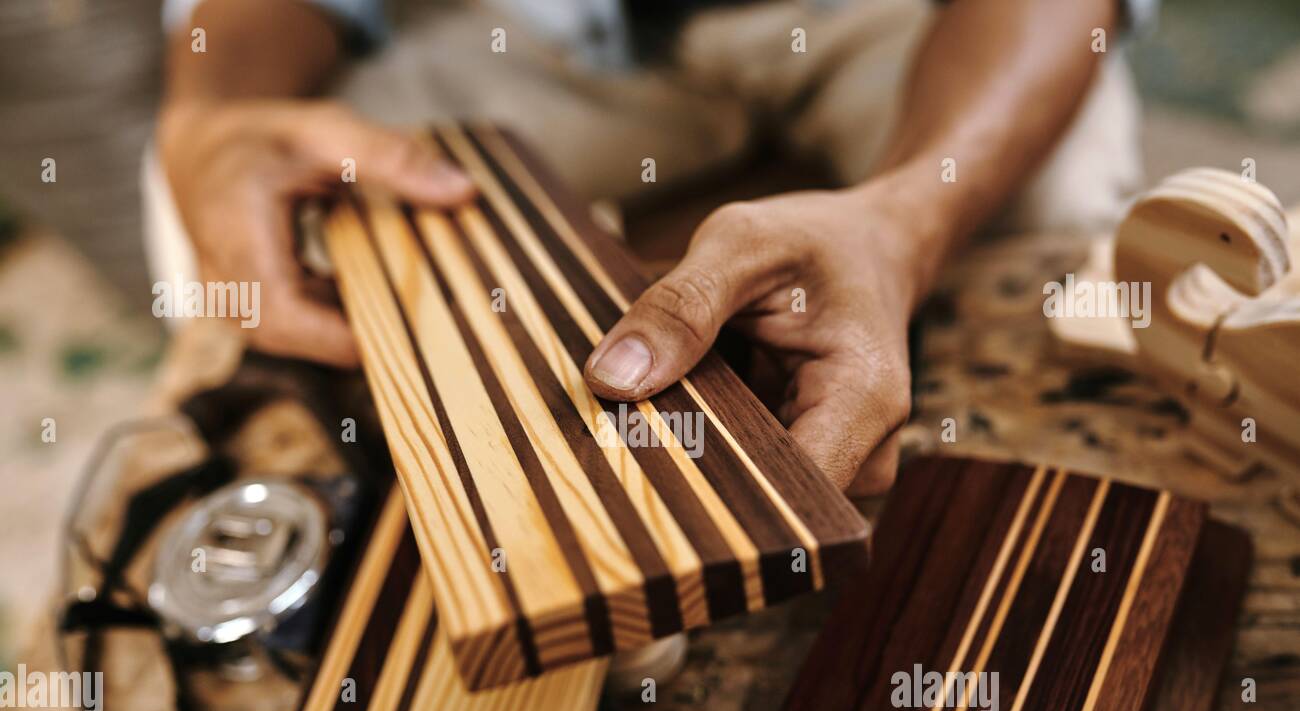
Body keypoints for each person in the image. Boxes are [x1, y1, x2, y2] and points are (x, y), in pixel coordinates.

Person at [148, 0, 1152, 494]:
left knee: (1039, 220)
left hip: (888, 15)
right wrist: (211, 116)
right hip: (512, 26)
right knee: (253, 222)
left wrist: (902, 221)